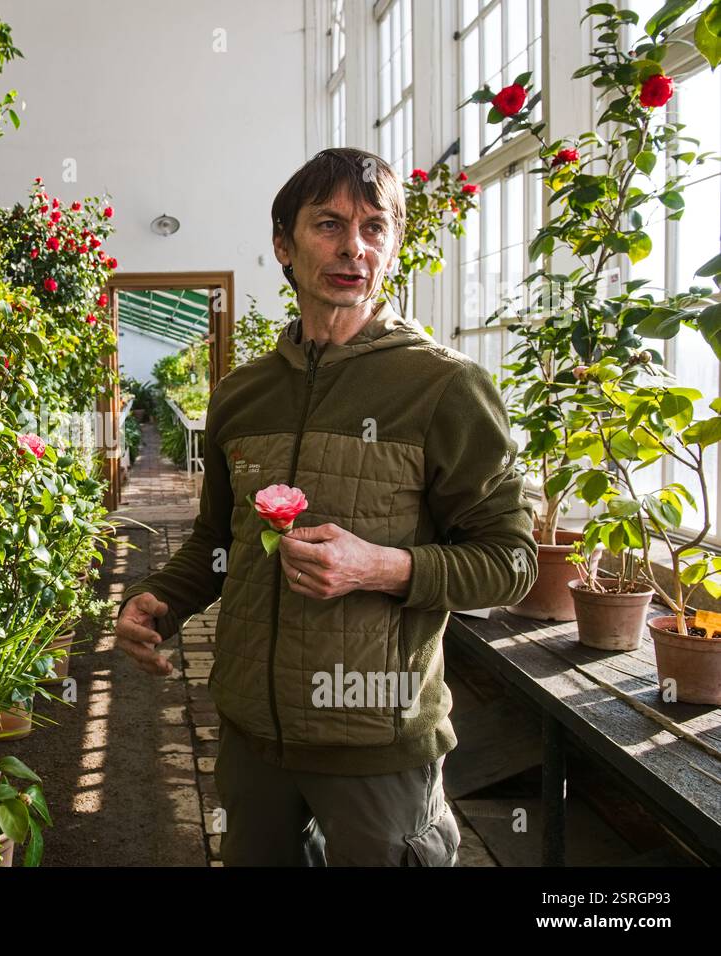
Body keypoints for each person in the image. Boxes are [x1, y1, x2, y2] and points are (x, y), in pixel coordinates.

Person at [113, 147, 538, 866]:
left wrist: (382, 567)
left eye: (375, 228)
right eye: (329, 225)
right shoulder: (241, 394)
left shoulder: (444, 388)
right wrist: (162, 597)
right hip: (253, 738)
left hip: (378, 741)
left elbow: (512, 562)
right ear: (283, 243)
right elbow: (221, 540)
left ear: (394, 246)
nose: (354, 249)